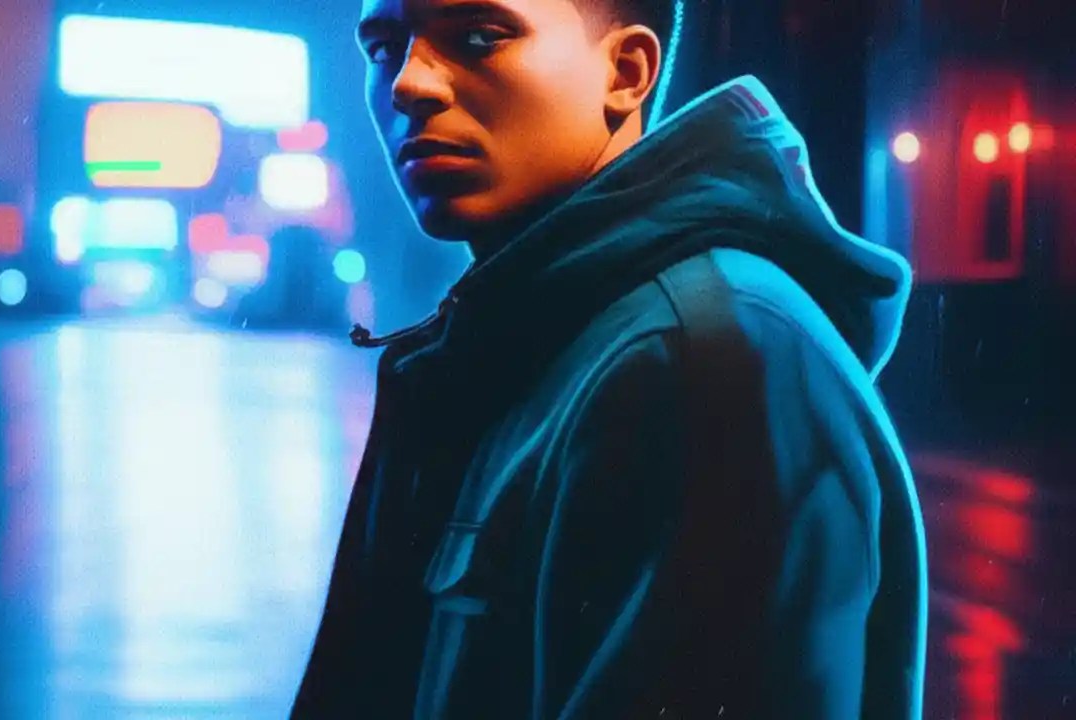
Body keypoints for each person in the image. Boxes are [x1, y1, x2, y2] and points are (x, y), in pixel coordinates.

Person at [293, 0, 928, 717]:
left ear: (626, 73)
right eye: (383, 49)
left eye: (478, 38)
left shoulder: (700, 356)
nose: (408, 83)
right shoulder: (545, 337)